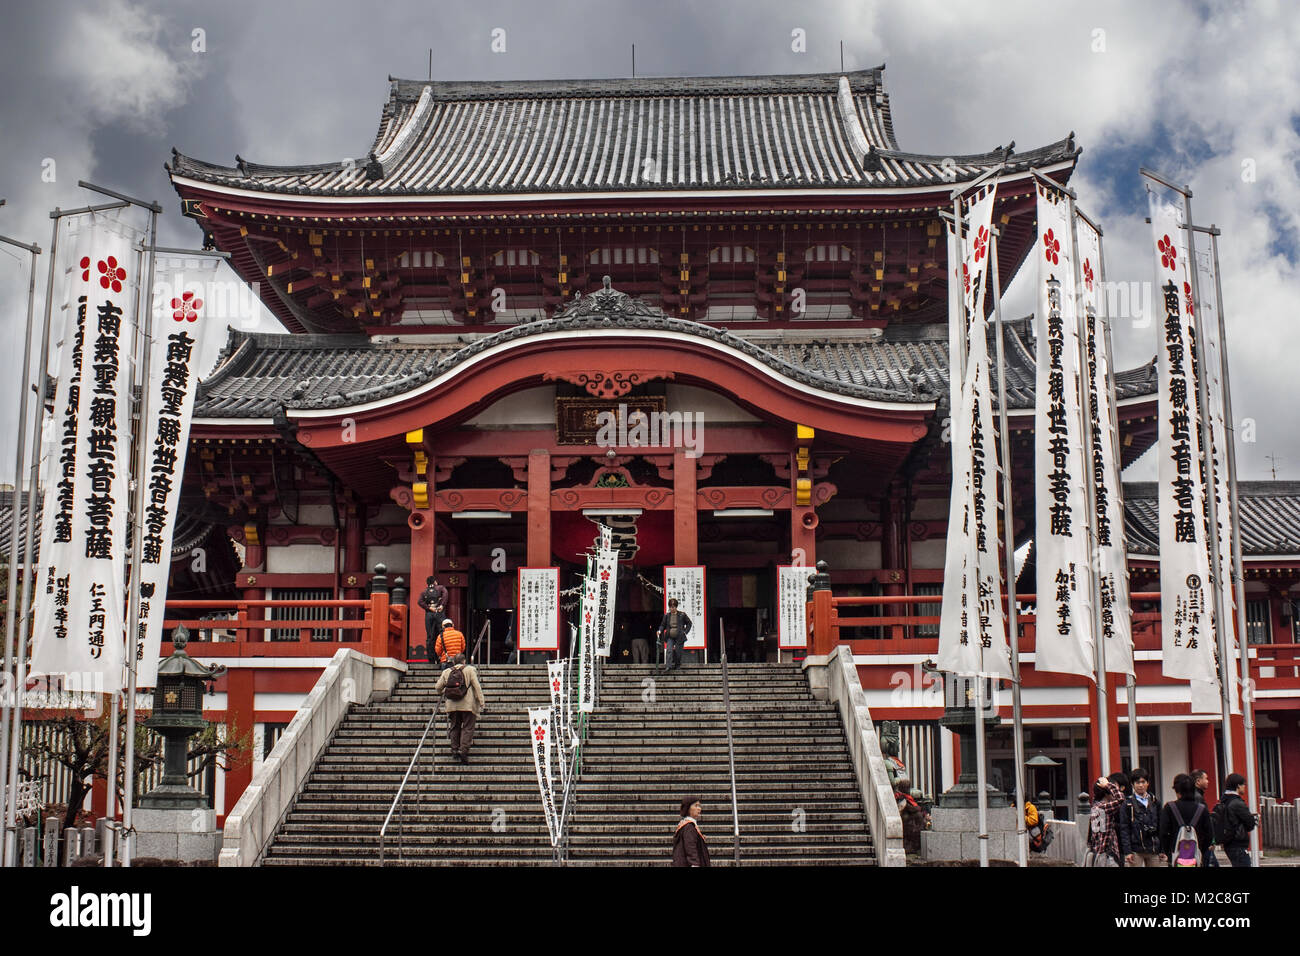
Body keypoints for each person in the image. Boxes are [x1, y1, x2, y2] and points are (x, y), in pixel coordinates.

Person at [433, 653, 484, 763]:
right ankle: (463, 751)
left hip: (452, 704)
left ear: (454, 662)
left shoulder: (447, 671)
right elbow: (476, 685)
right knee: (467, 727)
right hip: (468, 704)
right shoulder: (470, 670)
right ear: (464, 661)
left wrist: (444, 692)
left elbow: (437, 687)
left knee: (454, 726)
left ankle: (454, 749)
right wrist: (481, 701)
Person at [1160, 772, 1214, 866]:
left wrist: (1169, 851)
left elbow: (1163, 833)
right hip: (1196, 857)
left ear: (1177, 791)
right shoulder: (1202, 809)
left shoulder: (1169, 808)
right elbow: (1209, 834)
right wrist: (1201, 849)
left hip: (1176, 856)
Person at [1122, 767, 1166, 868]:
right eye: (1137, 782)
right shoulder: (1127, 804)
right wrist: (1127, 851)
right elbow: (1124, 828)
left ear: (1148, 783)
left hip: (1154, 847)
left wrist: (1163, 849)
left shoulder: (1155, 802)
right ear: (1132, 784)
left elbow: (1161, 826)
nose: (1141, 785)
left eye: (1143, 782)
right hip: (1135, 849)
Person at [1084, 775, 1128, 867]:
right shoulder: (1104, 807)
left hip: (1099, 854)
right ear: (1107, 793)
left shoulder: (1095, 806)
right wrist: (1108, 785)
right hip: (1107, 856)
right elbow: (1121, 799)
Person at [1214, 773, 1256, 867]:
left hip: (1228, 843)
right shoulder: (1237, 803)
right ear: (1238, 786)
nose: (1245, 787)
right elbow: (1250, 823)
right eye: (1243, 784)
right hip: (1238, 844)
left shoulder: (1224, 800)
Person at [1190, 768, 1220, 866]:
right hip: (1202, 842)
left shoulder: (1196, 796)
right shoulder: (1197, 798)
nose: (1208, 781)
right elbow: (1203, 820)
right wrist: (1211, 840)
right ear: (1198, 781)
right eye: (1206, 779)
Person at [671, 797, 711, 867]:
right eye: (696, 806)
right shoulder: (689, 827)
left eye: (699, 806)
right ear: (688, 808)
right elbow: (690, 848)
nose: (699, 809)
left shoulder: (685, 825)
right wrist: (694, 864)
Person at [658, 598, 692, 673]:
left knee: (678, 651)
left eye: (673, 607)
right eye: (670, 607)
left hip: (679, 636)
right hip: (670, 636)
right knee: (669, 650)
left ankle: (677, 665)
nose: (672, 608)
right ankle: (668, 666)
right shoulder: (667, 615)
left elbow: (689, 623)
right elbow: (662, 625)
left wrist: (685, 632)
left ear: (676, 607)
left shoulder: (682, 615)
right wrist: (660, 630)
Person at [417, 576, 448, 658]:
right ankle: (443, 655)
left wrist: (429, 608)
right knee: (443, 633)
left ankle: (431, 657)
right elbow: (445, 594)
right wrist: (442, 605)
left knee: (430, 636)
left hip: (429, 614)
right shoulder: (440, 588)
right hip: (439, 612)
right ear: (435, 582)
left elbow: (419, 601)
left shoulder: (424, 592)